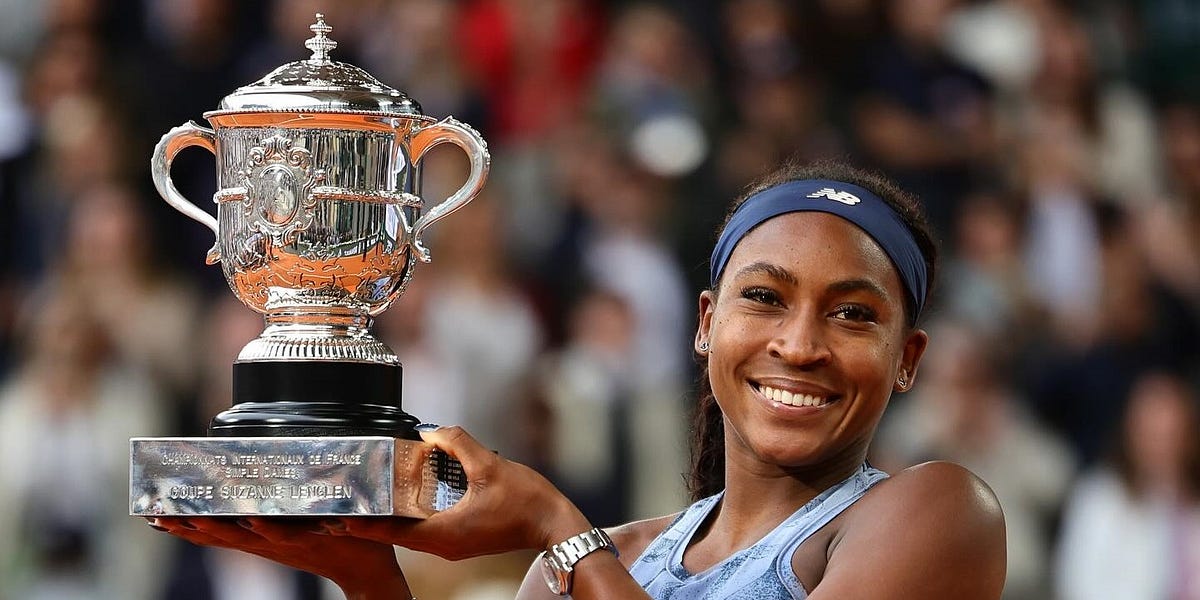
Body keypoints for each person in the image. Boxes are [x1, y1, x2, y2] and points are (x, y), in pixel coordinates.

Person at [151, 160, 1007, 599]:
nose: (801, 343)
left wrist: (552, 520)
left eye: (853, 314)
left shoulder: (938, 513)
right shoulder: (612, 556)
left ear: (909, 361)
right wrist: (367, 576)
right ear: (707, 323)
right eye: (764, 298)